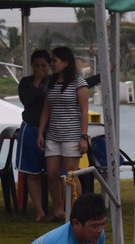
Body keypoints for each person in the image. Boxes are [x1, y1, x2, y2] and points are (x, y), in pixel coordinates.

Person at [38, 45, 89, 223]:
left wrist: (83, 137)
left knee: (71, 174)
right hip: (53, 135)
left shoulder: (78, 82)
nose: (51, 64)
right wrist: (40, 133)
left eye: (54, 60)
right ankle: (58, 211)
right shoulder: (50, 83)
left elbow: (84, 111)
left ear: (66, 63)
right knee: (52, 175)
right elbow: (46, 110)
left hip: (72, 136)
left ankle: (75, 213)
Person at [17, 49, 51, 222]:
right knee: (32, 173)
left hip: (52, 131)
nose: (40, 69)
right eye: (36, 66)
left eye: (43, 65)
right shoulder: (26, 82)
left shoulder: (55, 82)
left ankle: (59, 209)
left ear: (49, 65)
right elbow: (27, 100)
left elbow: (82, 84)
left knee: (56, 173)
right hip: (31, 129)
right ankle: (39, 211)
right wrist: (37, 81)